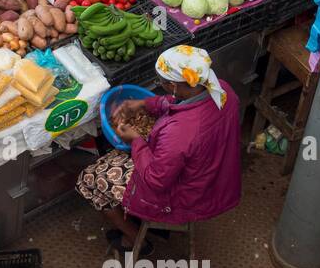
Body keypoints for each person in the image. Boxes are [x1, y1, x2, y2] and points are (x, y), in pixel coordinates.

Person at [77, 45, 241, 253]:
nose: (161, 85)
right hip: (216, 181)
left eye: (161, 82)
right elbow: (179, 101)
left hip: (185, 198)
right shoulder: (221, 89)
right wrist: (144, 104)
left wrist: (135, 139)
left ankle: (137, 240)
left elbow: (156, 179)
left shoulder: (181, 132)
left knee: (89, 179)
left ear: (173, 85)